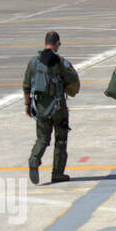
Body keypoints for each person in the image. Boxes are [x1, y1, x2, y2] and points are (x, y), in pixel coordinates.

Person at [22, 31, 79, 185]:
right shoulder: (60, 62)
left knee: (42, 138)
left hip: (40, 107)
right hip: (58, 108)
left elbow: (26, 85)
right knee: (60, 140)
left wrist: (27, 105)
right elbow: (72, 80)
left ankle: (34, 159)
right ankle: (57, 173)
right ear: (57, 43)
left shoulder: (33, 62)